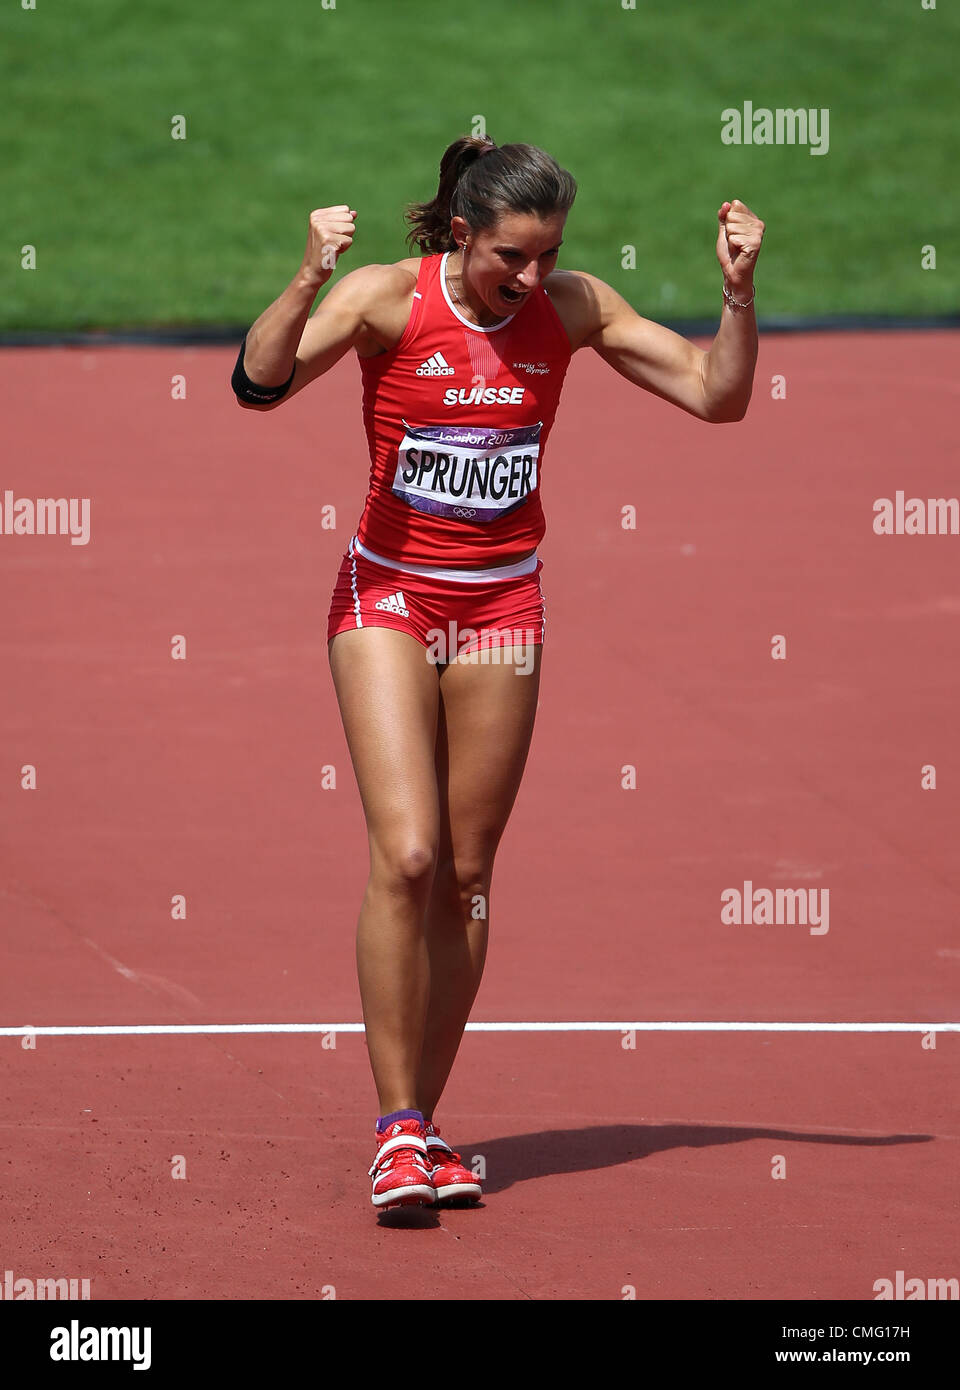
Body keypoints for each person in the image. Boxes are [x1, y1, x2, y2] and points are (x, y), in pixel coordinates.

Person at [231, 134, 764, 1213]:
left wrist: (739, 295)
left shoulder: (571, 310)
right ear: (464, 231)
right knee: (412, 850)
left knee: (468, 873)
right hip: (388, 596)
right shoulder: (389, 300)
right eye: (512, 256)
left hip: (504, 608)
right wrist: (306, 275)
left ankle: (420, 1127)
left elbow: (718, 396)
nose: (530, 276)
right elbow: (258, 382)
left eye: (548, 254)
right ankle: (392, 1131)